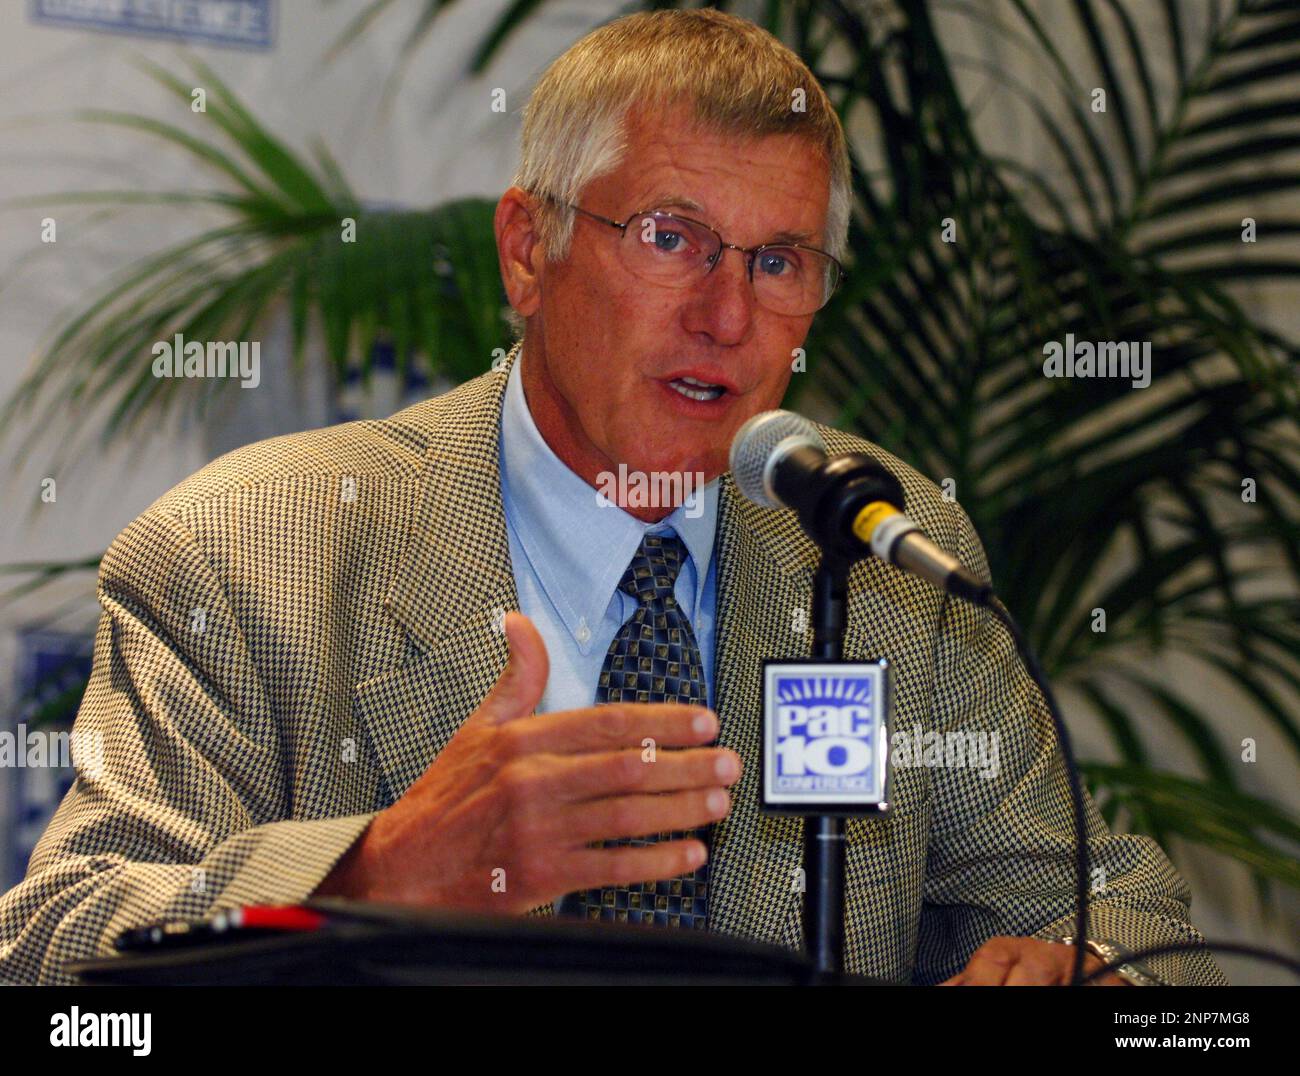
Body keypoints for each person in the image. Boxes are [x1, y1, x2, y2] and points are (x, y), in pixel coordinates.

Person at [0, 9, 1224, 986]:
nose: (726, 315)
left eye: (779, 262)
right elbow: (56, 952)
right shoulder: (249, 548)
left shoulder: (869, 540)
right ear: (528, 251)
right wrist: (376, 868)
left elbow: (1097, 890)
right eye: (670, 237)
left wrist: (1081, 959)